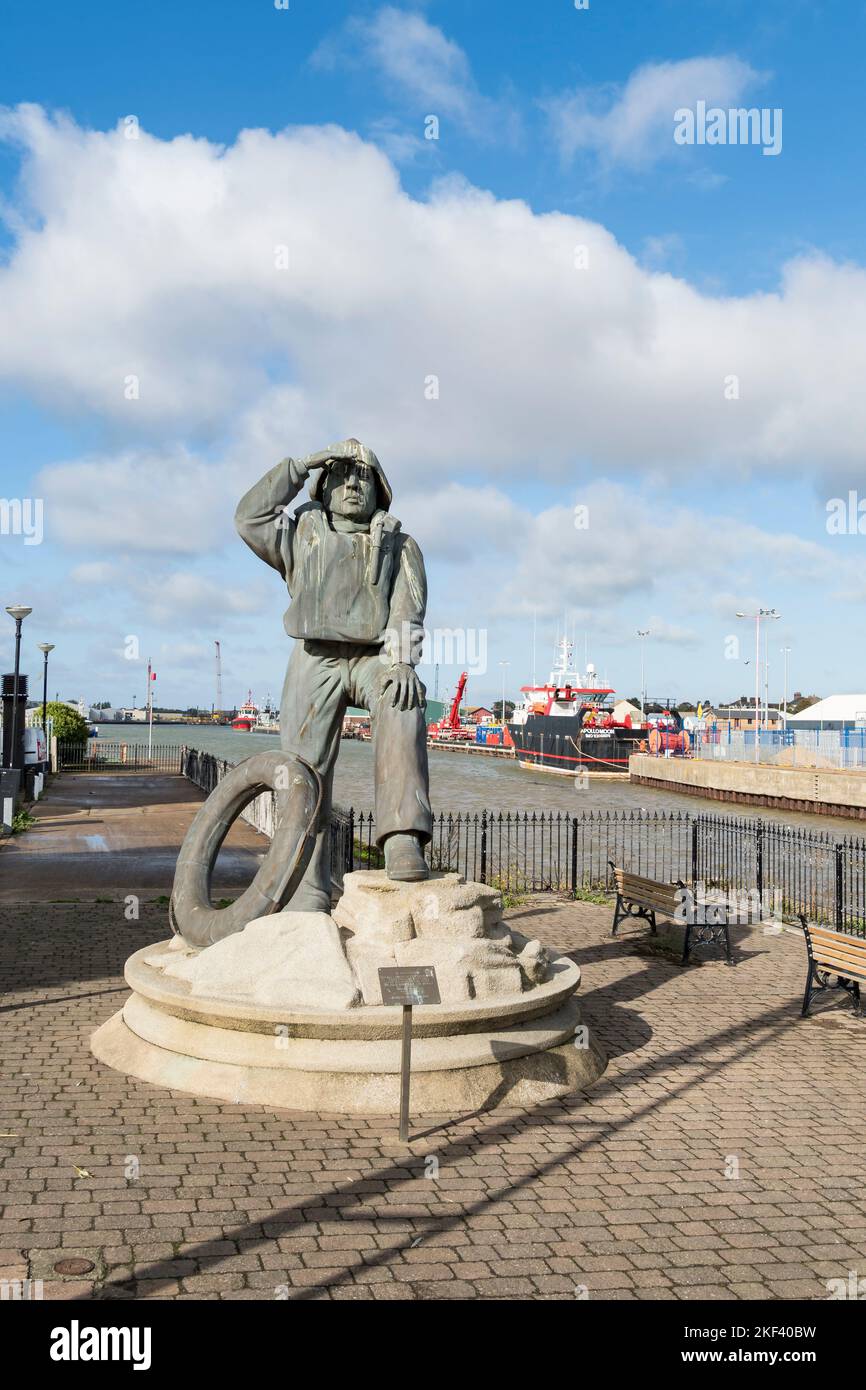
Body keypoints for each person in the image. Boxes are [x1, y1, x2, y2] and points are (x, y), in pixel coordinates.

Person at [234, 438, 432, 912]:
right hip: (314, 657)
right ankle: (307, 879)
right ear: (323, 486)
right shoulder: (301, 532)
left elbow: (409, 609)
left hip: (373, 657)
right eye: (340, 476)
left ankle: (402, 834)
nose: (351, 485)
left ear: (379, 490)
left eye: (362, 477)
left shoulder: (400, 544)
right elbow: (249, 517)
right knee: (305, 767)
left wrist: (402, 660)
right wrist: (302, 464)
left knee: (403, 696)